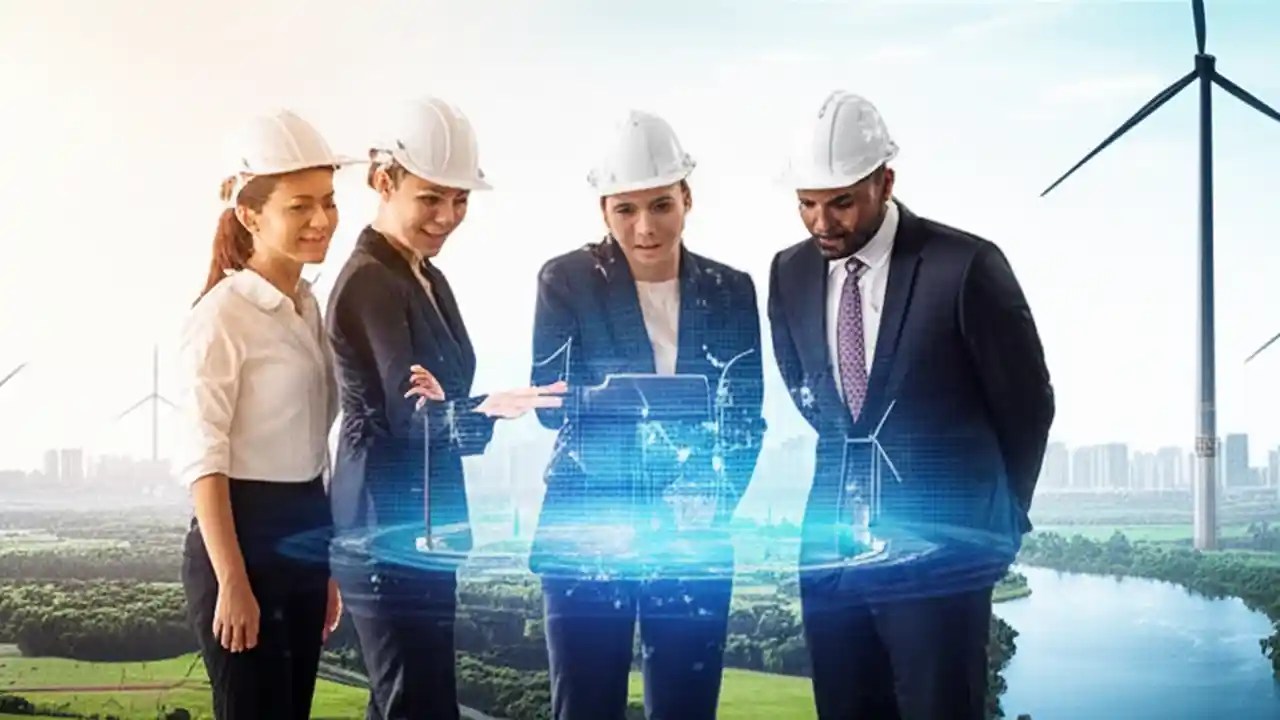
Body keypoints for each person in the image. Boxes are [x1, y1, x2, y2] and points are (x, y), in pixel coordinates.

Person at [767, 89, 1055, 720]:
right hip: (831, 558)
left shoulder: (966, 267)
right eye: (806, 204)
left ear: (886, 180)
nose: (822, 222)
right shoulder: (787, 273)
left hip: (940, 557)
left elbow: (1028, 405)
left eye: (841, 202)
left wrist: (999, 519)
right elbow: (817, 402)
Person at [325, 95, 563, 720]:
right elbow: (413, 417)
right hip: (382, 526)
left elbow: (444, 399)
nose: (448, 215)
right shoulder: (371, 280)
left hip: (422, 526)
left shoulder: (423, 274)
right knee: (416, 705)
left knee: (412, 702)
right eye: (431, 197)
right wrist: (487, 408)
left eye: (459, 199)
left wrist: (470, 407)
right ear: (384, 181)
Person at [528, 109, 767, 720]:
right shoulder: (565, 282)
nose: (645, 227)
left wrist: (710, 497)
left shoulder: (732, 289)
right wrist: (634, 400)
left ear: (687, 197)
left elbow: (744, 421)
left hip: (694, 540)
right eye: (625, 210)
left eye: (661, 205)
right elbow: (550, 407)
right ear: (603, 211)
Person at [175, 108, 358, 719]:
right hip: (241, 539)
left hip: (303, 534)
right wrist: (232, 580)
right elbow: (206, 459)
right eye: (299, 205)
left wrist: (323, 562)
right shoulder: (222, 316)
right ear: (250, 215)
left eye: (328, 201)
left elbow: (314, 448)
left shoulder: (309, 306)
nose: (322, 219)